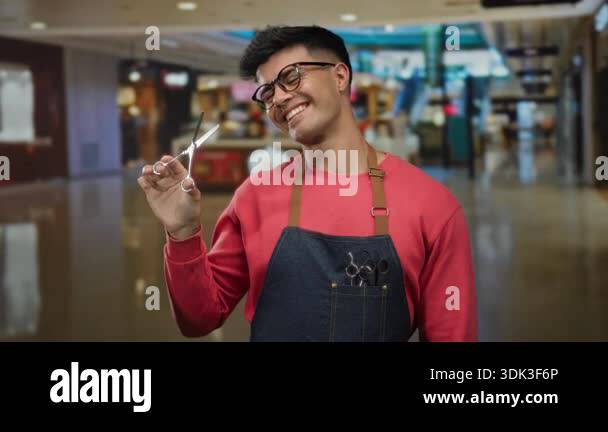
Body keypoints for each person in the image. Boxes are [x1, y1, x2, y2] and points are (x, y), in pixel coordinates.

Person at [138, 25, 477, 342]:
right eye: (268, 92)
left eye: (291, 77)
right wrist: (183, 234)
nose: (279, 99)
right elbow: (199, 319)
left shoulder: (431, 205)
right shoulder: (254, 196)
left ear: (340, 76)